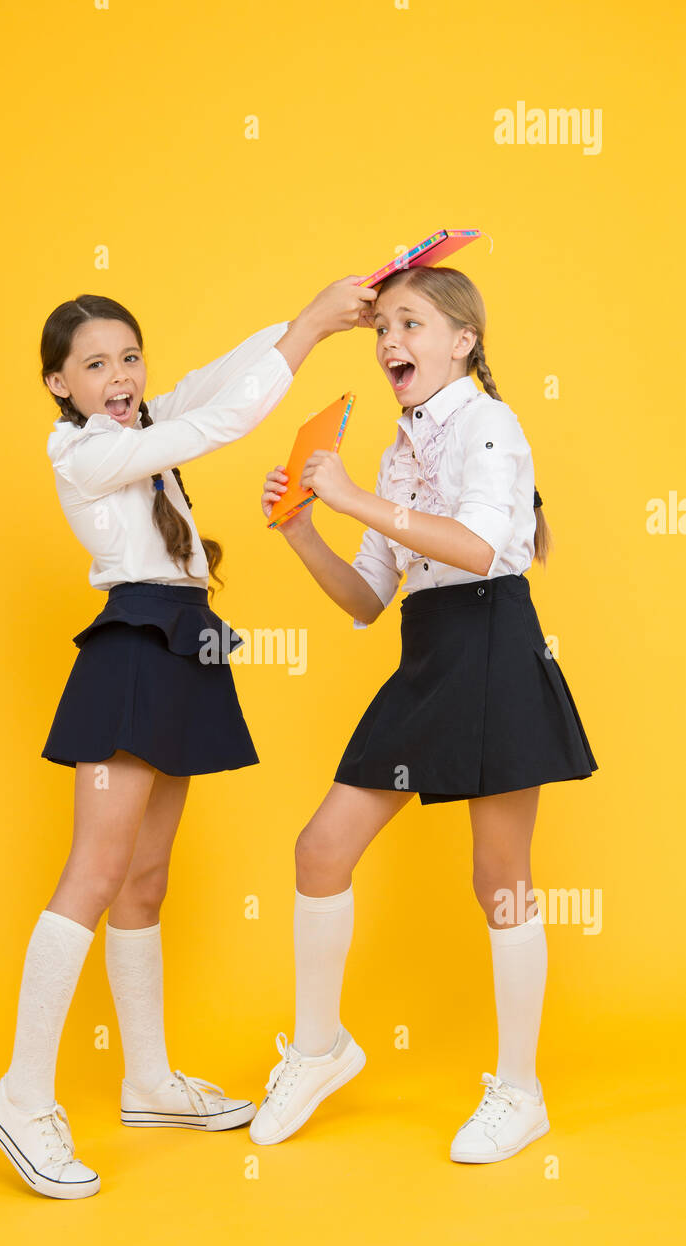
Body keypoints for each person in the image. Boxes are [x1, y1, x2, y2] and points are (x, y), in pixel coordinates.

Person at [0, 277, 377, 1198]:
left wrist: (302, 329)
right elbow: (214, 426)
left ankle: (149, 1080)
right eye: (94, 365)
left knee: (147, 878)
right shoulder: (84, 452)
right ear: (57, 383)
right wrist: (315, 323)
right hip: (133, 649)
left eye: (128, 356)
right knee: (96, 869)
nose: (118, 376)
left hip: (185, 642)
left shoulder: (142, 419)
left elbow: (216, 381)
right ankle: (21, 1093)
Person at [252, 264, 598, 1163]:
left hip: (490, 646)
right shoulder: (396, 446)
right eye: (381, 328)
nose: (389, 341)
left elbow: (484, 547)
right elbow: (368, 597)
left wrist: (356, 499)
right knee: (318, 851)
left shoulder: (488, 422)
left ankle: (519, 1092)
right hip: (426, 650)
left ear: (462, 342)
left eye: (410, 323)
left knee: (502, 881)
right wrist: (301, 529)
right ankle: (321, 1049)